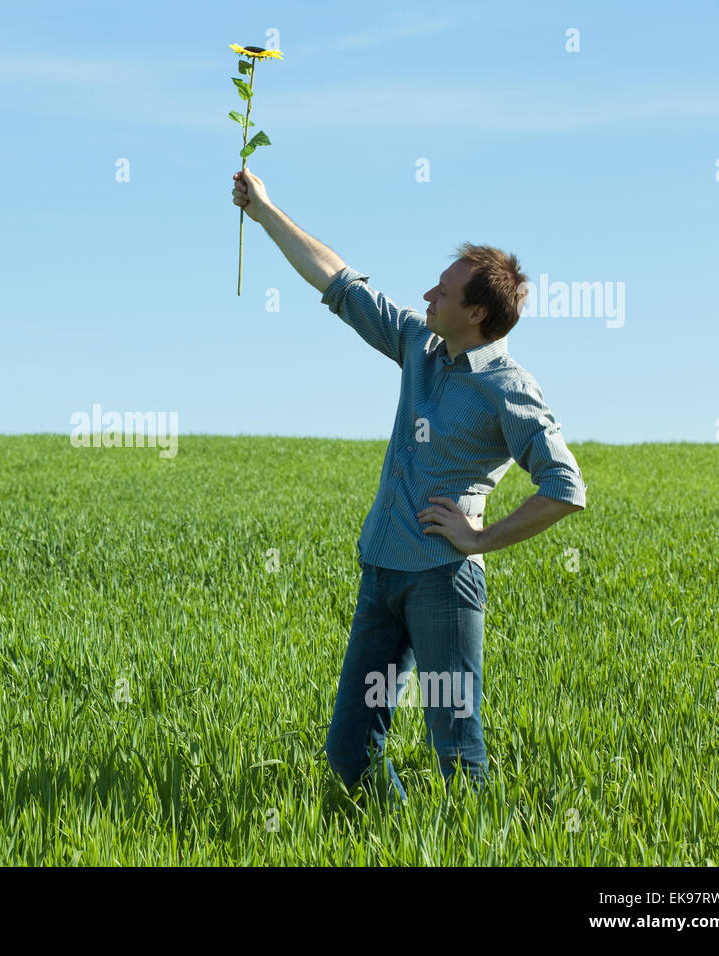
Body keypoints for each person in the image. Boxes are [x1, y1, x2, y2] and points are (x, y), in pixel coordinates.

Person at [232, 168, 587, 807]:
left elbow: (565, 486)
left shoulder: (507, 389)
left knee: (456, 749)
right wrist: (264, 211)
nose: (428, 293)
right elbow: (340, 281)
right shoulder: (419, 346)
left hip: (442, 583)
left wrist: (481, 535)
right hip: (382, 571)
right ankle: (394, 836)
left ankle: (469, 851)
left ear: (476, 312)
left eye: (444, 290)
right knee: (348, 750)